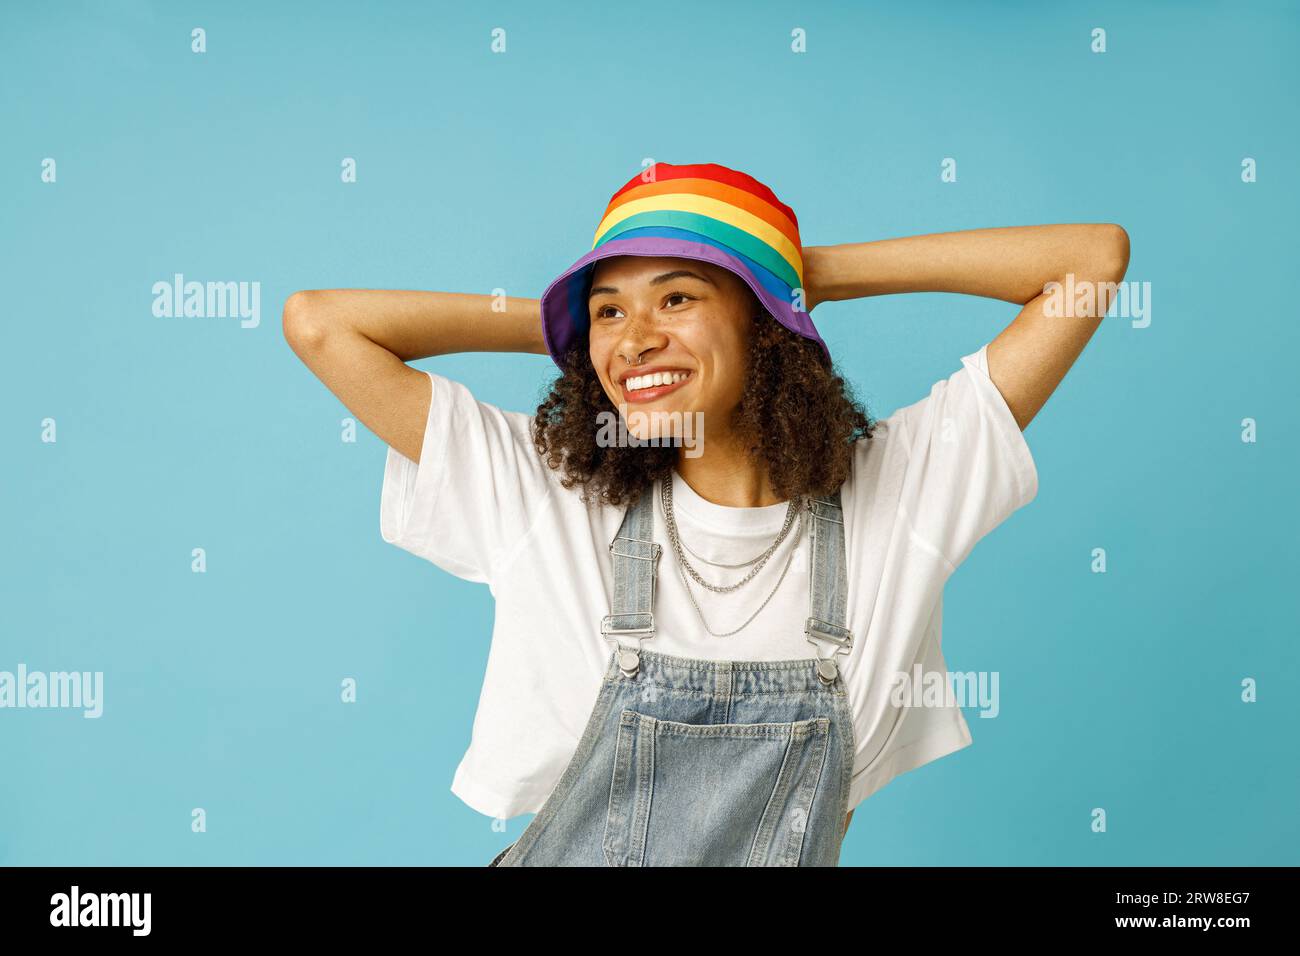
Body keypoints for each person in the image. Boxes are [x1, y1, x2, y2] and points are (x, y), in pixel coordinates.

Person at [283, 161, 1129, 866]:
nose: (634, 337)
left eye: (678, 298)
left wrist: (798, 273)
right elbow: (321, 323)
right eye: (609, 308)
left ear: (766, 324)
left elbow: (1091, 262)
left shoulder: (904, 490)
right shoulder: (545, 492)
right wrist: (574, 333)